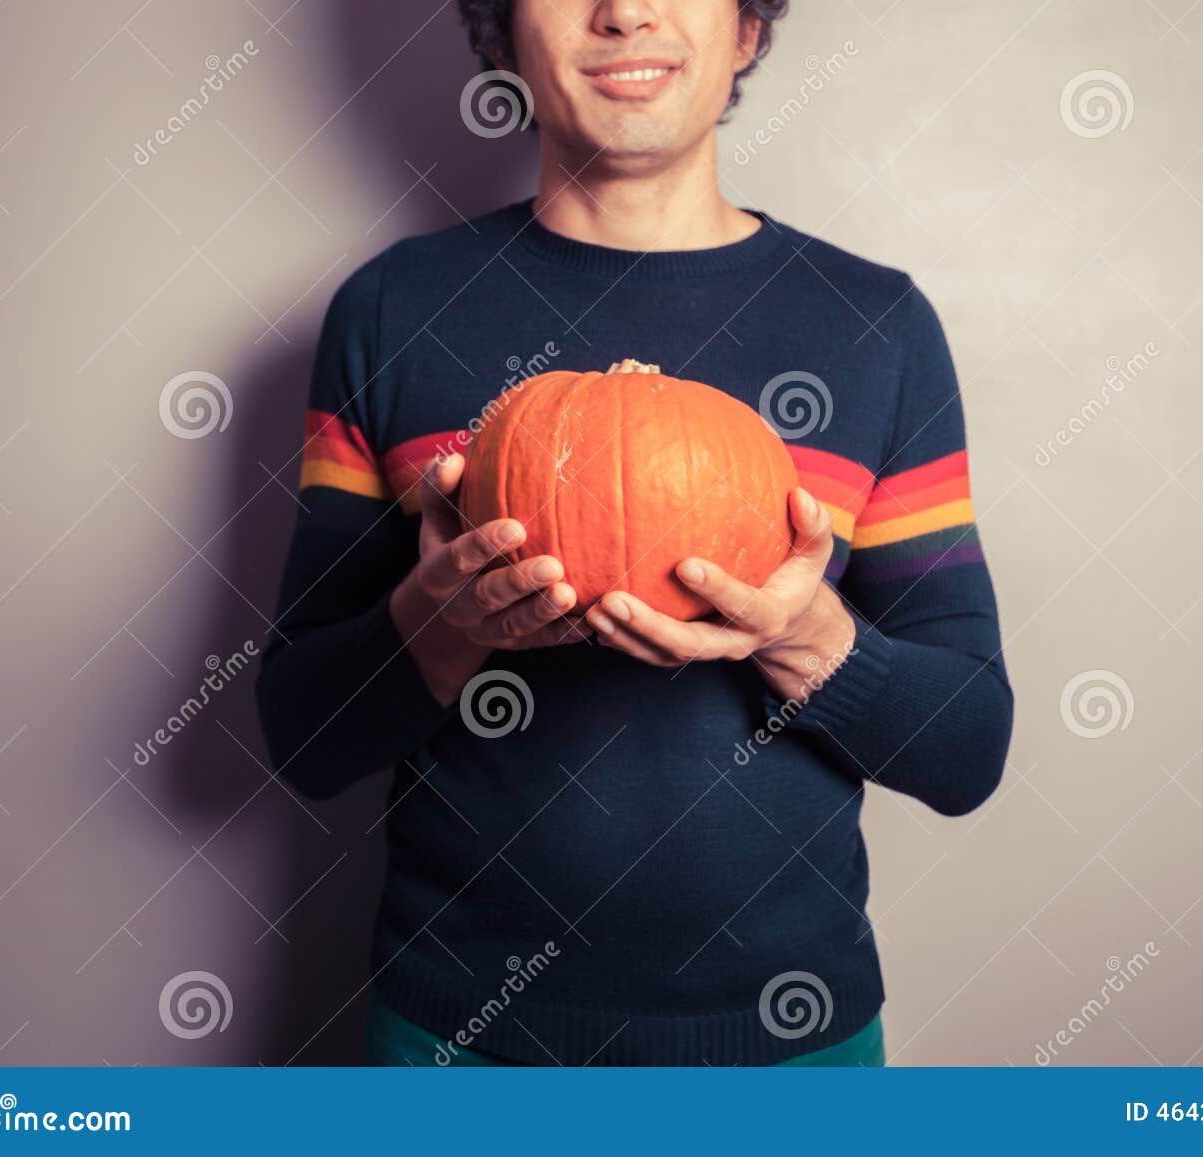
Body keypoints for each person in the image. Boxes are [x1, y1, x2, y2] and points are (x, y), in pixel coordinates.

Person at [256, 0, 1012, 1067]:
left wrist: (799, 636)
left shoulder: (874, 325)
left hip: (789, 1050)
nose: (626, 10)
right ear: (504, 30)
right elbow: (302, 735)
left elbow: (967, 748)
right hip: (455, 1044)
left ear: (747, 29)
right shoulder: (389, 310)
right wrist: (441, 618)